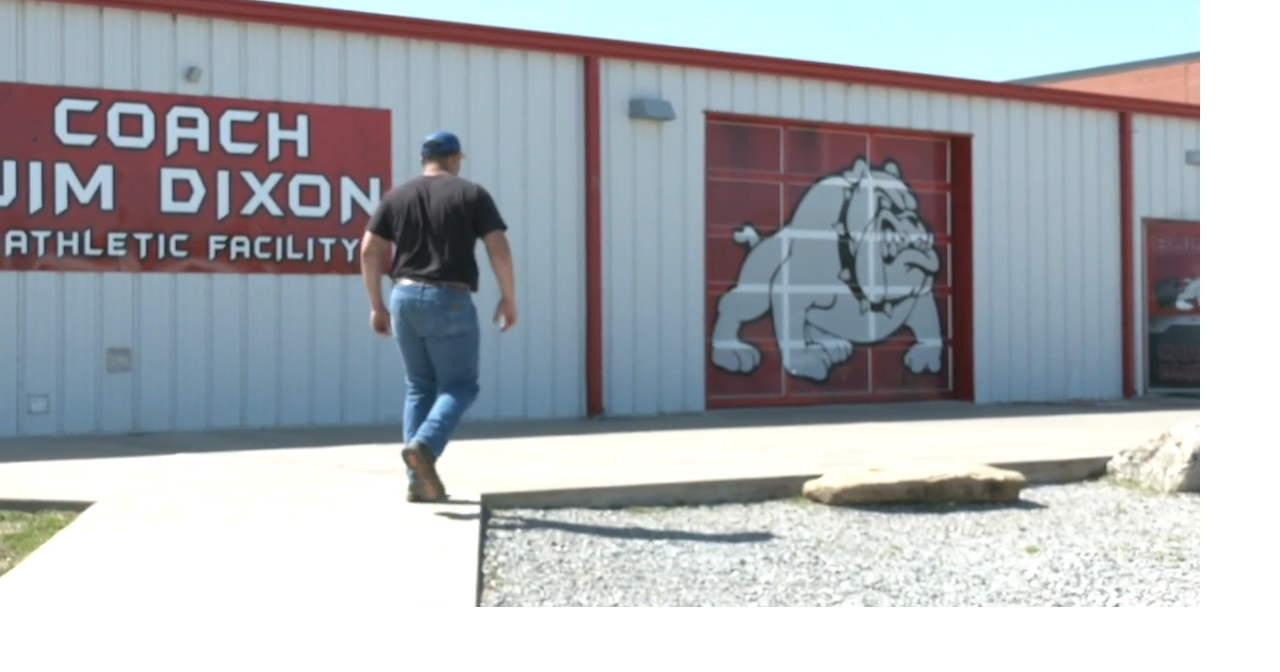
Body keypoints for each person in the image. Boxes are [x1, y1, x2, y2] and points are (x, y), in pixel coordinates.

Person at [359, 131, 517, 503]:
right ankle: (426, 446)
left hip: (403, 297)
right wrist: (508, 297)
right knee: (460, 387)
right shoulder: (471, 194)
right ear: (456, 159)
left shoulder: (397, 197)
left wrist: (376, 305)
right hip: (449, 299)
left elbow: (368, 249)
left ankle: (419, 481)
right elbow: (498, 248)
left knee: (419, 387)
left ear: (423, 160)